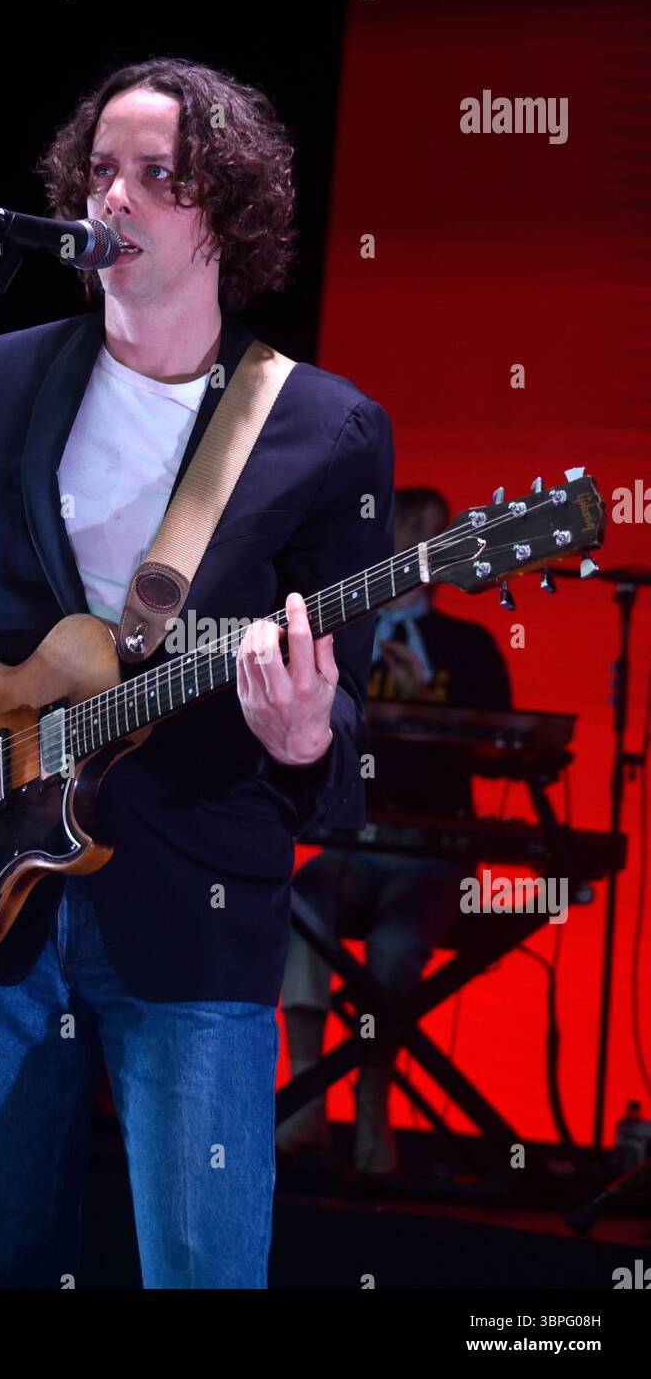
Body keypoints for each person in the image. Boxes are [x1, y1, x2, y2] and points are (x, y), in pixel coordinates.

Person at [0, 57, 395, 1288]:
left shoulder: (320, 430)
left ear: (230, 212)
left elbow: (339, 732)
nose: (115, 201)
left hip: (188, 929)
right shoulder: (1, 378)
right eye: (100, 172)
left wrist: (304, 733)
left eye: (158, 177)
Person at [279, 487, 512, 1175]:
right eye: (412, 532)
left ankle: (373, 1113)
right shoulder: (341, 636)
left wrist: (430, 693)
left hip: (430, 856)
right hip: (353, 843)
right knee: (302, 908)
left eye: (434, 534)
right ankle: (303, 1101)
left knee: (395, 945)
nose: (421, 547)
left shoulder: (467, 645)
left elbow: (500, 745)